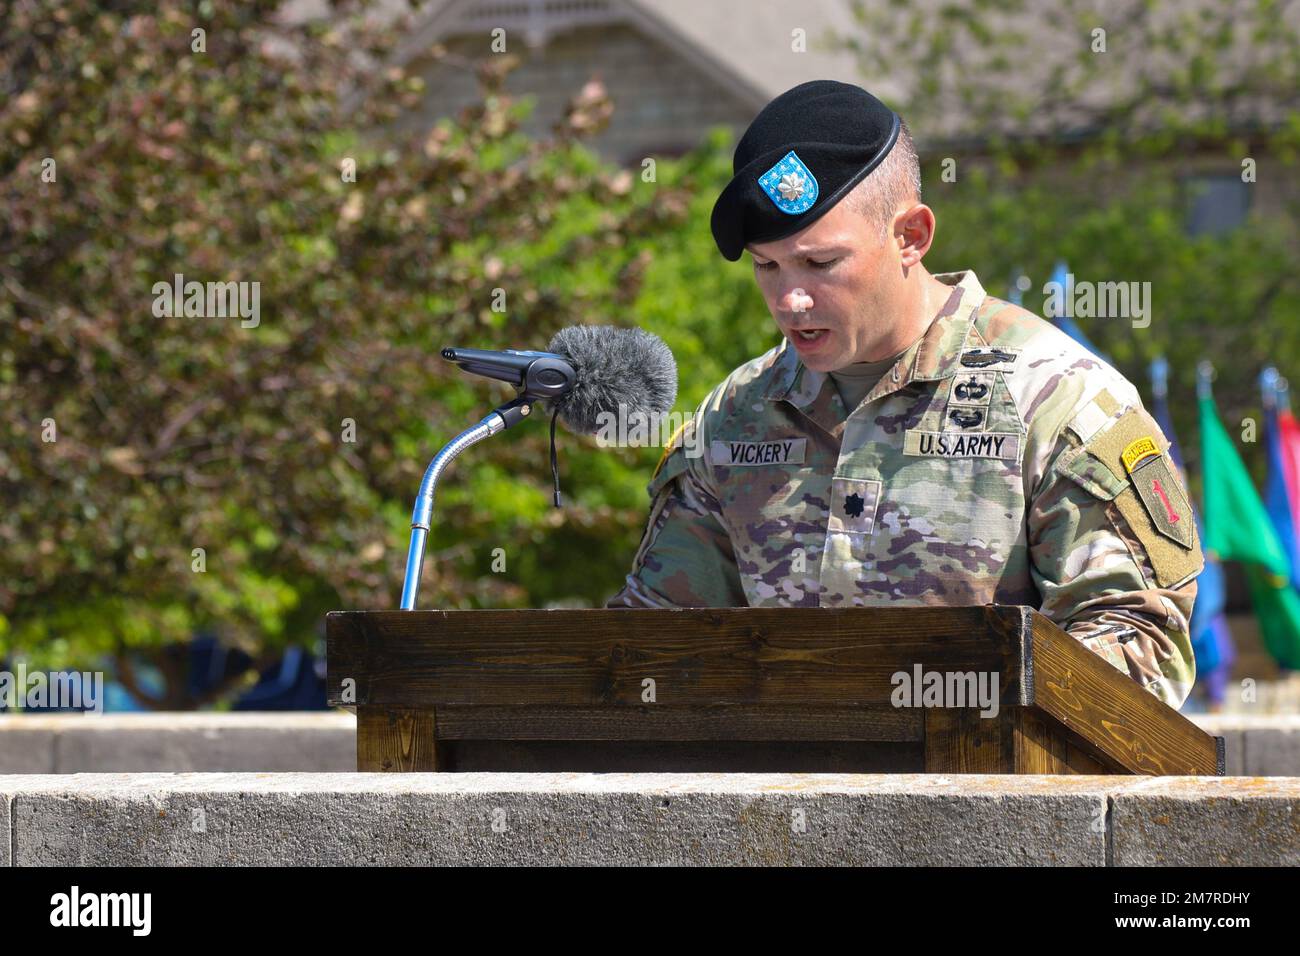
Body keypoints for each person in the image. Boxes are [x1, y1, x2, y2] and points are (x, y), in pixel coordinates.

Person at [605, 80, 1203, 709]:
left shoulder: (1056, 397)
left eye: (820, 263)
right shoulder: (734, 418)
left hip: (987, 797)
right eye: (767, 266)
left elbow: (1140, 640)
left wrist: (964, 711)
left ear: (911, 236)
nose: (789, 301)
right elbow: (652, 639)